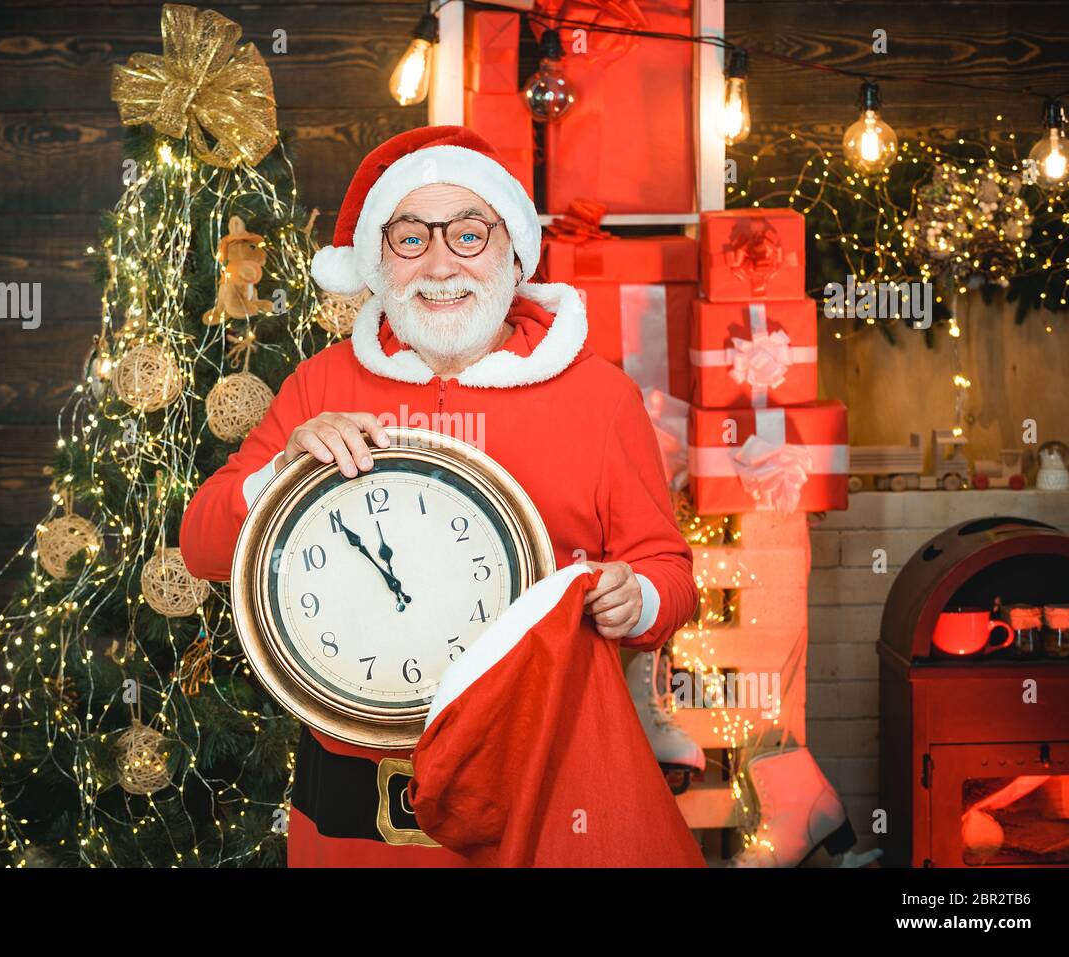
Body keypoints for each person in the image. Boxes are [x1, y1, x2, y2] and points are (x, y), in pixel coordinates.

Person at [179, 125, 697, 866]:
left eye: (468, 233)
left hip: (543, 794)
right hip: (355, 810)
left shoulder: (601, 397)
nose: (441, 262)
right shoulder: (322, 385)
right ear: (379, 261)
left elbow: (670, 573)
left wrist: (636, 596)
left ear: (514, 255)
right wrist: (277, 473)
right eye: (412, 237)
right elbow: (200, 546)